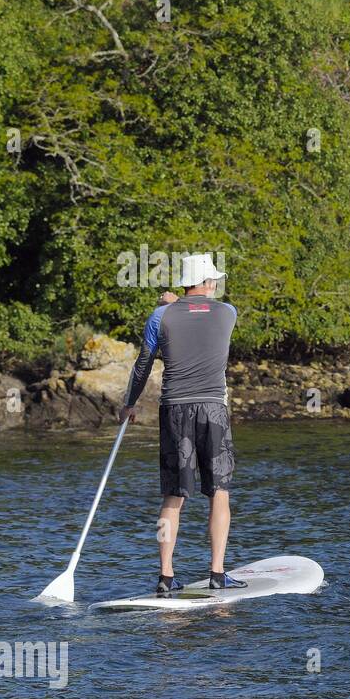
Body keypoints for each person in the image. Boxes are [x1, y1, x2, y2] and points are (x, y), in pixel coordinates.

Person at [119, 252, 244, 593]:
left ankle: (166, 576)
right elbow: (201, 310)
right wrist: (179, 304)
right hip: (213, 410)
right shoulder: (228, 313)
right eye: (214, 279)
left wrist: (129, 403)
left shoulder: (160, 316)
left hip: (175, 410)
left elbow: (143, 365)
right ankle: (217, 574)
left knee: (173, 496)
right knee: (219, 493)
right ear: (206, 283)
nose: (217, 283)